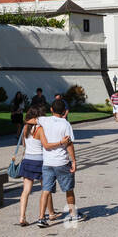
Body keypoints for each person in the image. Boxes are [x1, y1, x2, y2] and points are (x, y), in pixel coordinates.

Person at [35, 97, 78, 226]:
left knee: (46, 190)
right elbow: (69, 144)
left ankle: (42, 218)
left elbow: (31, 120)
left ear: (51, 109)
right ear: (64, 111)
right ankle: (72, 214)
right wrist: (74, 161)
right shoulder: (65, 124)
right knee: (68, 189)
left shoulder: (44, 120)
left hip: (47, 162)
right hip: (61, 162)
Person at [17, 102, 45, 226]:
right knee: (46, 189)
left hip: (27, 160)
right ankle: (44, 214)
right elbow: (45, 145)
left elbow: (24, 144)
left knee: (26, 191)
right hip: (40, 161)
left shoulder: (25, 128)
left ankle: (22, 217)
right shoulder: (40, 128)